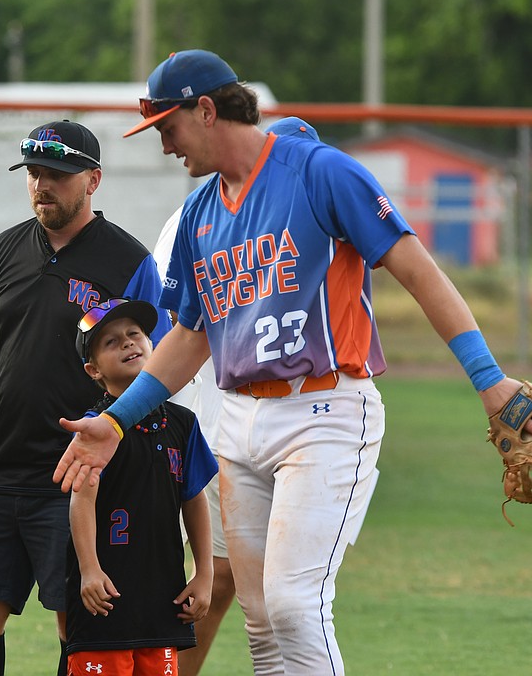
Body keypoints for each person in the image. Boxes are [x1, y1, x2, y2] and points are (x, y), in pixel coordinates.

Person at [54, 50, 532, 675]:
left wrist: (489, 379)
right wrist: (118, 420)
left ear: (205, 110)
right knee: (262, 621)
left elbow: (419, 272)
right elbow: (189, 336)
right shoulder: (201, 215)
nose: (163, 146)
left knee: (295, 604)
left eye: (166, 127)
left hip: (324, 411)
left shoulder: (320, 173)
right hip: (237, 423)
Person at [0, 119, 171, 676]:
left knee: (77, 619)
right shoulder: (6, 249)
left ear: (93, 180)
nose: (41, 185)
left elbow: (161, 362)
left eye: (56, 174)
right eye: (33, 174)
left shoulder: (128, 261)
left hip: (77, 471)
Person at [153, 115, 322, 675]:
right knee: (197, 572)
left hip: (281, 423)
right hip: (205, 414)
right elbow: (169, 327)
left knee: (260, 587)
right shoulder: (201, 215)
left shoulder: (314, 207)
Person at [65, 298, 217, 676]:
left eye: (135, 334)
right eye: (112, 342)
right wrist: (89, 569)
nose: (129, 343)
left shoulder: (183, 424)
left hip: (162, 597)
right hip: (106, 596)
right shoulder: (94, 429)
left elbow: (195, 500)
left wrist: (204, 573)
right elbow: (80, 500)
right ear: (93, 369)